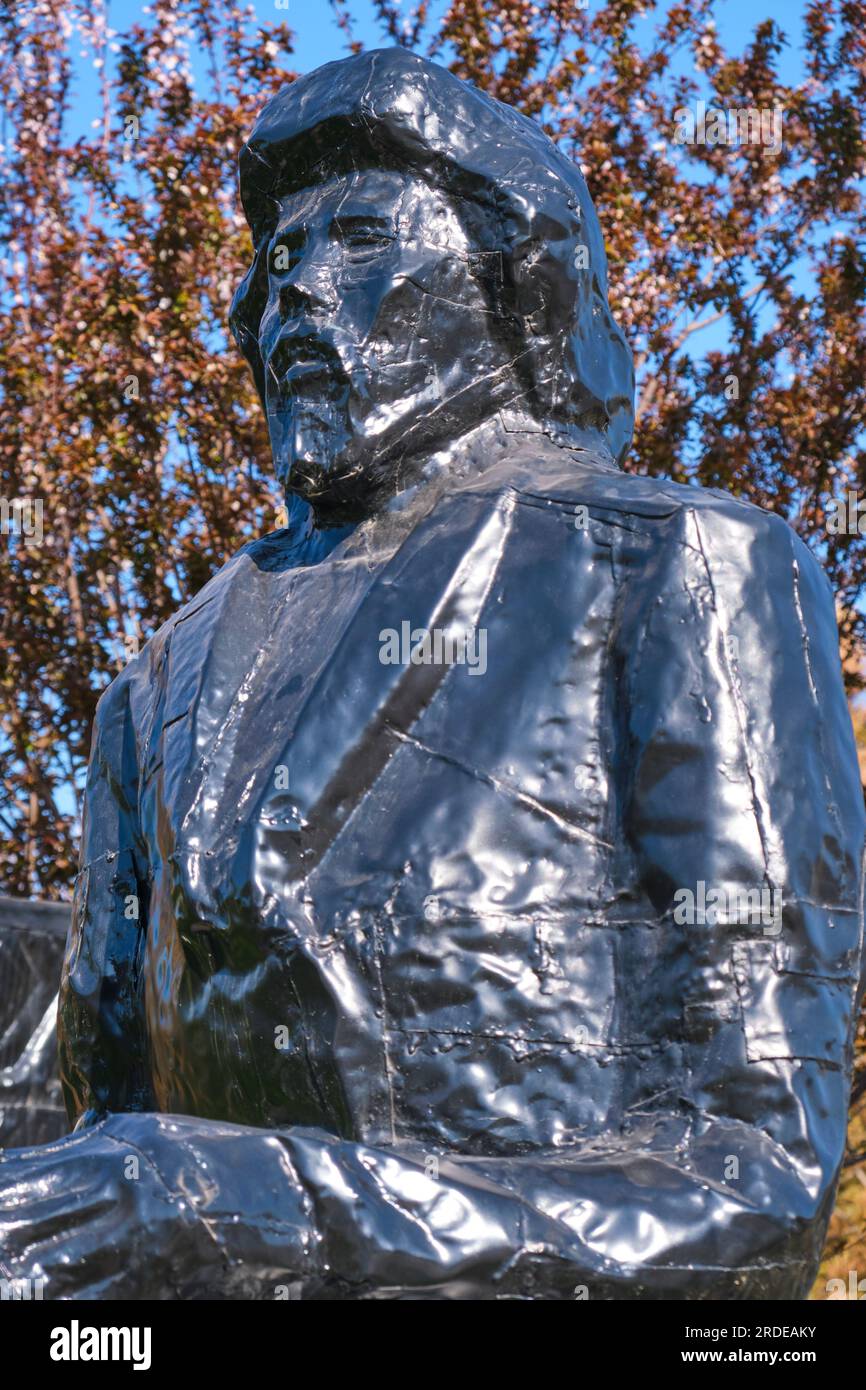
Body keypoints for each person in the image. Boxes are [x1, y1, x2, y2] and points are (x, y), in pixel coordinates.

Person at [2, 48, 863, 1301]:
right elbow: (94, 1140)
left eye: (359, 236)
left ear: (512, 279)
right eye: (277, 259)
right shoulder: (156, 684)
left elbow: (750, 1191)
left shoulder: (674, 567)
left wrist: (246, 1211)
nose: (295, 291)